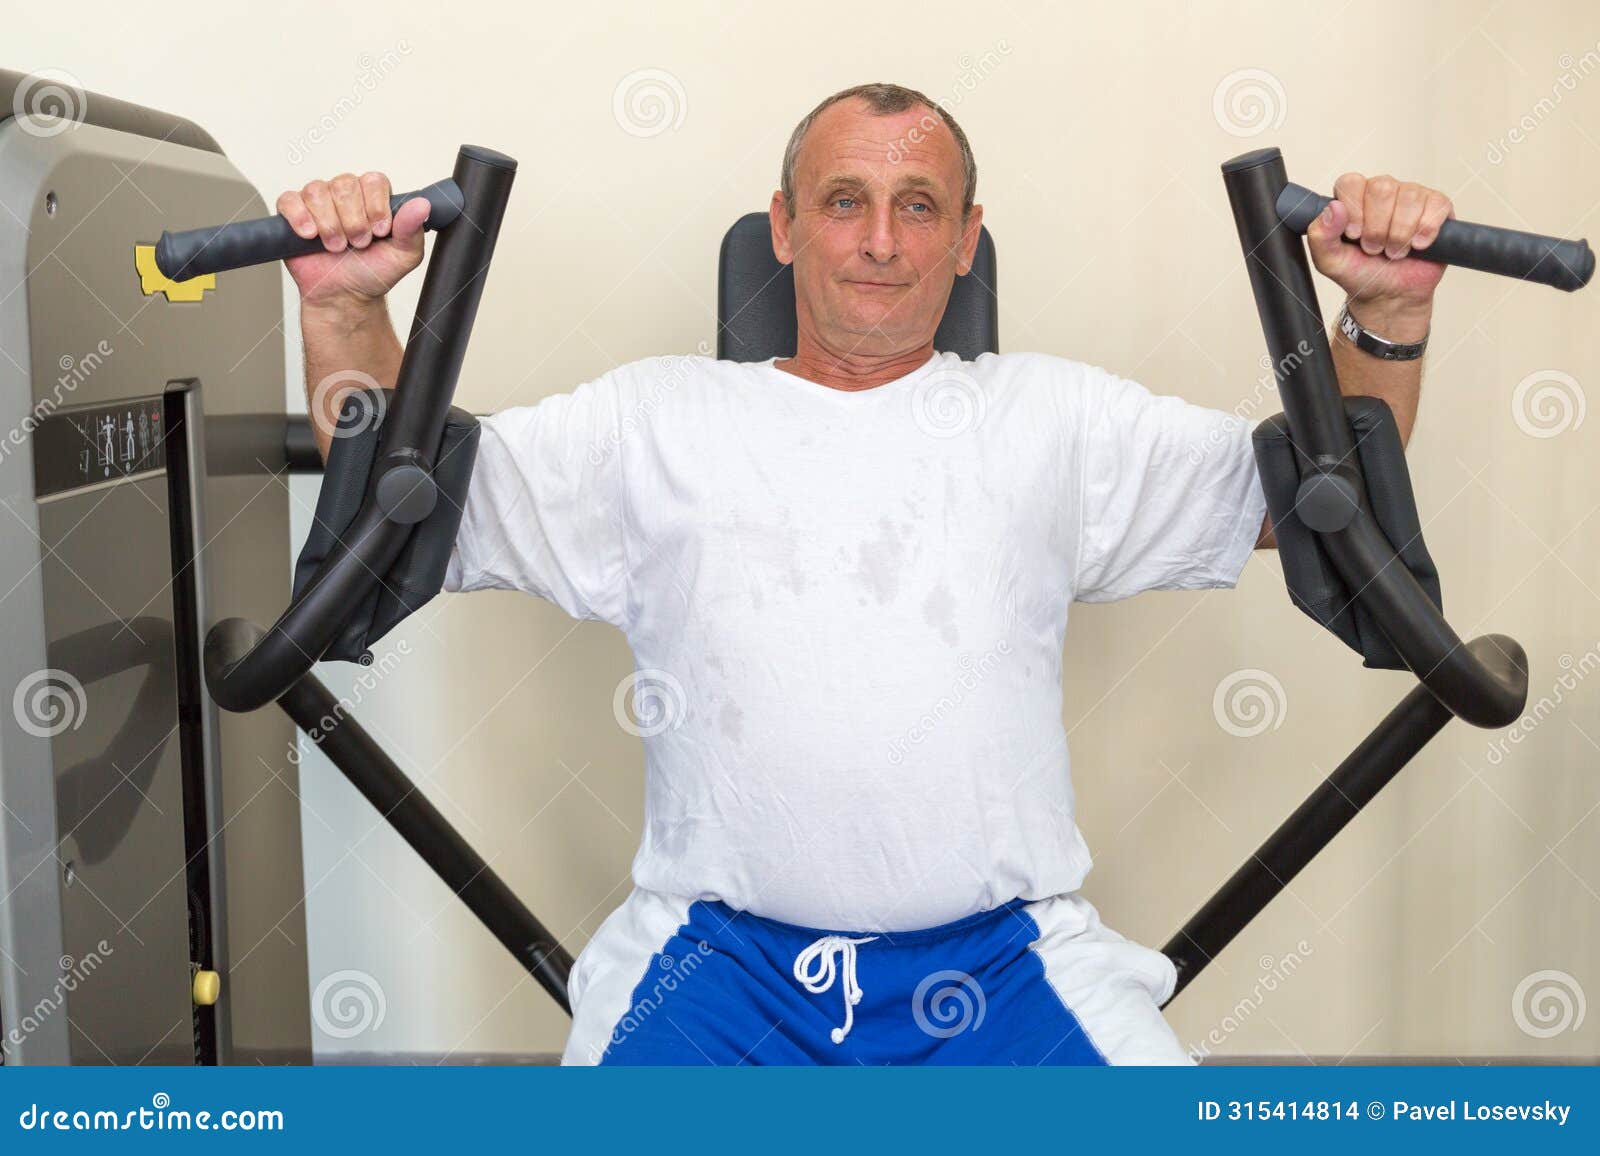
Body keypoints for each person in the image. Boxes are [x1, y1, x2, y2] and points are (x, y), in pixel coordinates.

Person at [279, 83, 1451, 1065]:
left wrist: (1385, 313)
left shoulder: (1052, 419)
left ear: (965, 235)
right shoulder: (655, 420)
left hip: (1006, 958)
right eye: (845, 202)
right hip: (711, 963)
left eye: (916, 205)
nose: (881, 240)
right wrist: (346, 308)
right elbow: (401, 497)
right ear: (783, 226)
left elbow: (1323, 499)